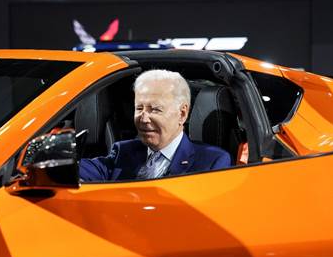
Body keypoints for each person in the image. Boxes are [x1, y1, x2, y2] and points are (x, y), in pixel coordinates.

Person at [79, 70, 231, 181]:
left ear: (182, 114)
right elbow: (73, 170)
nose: (143, 119)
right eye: (139, 108)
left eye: (155, 109)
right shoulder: (122, 152)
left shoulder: (212, 161)